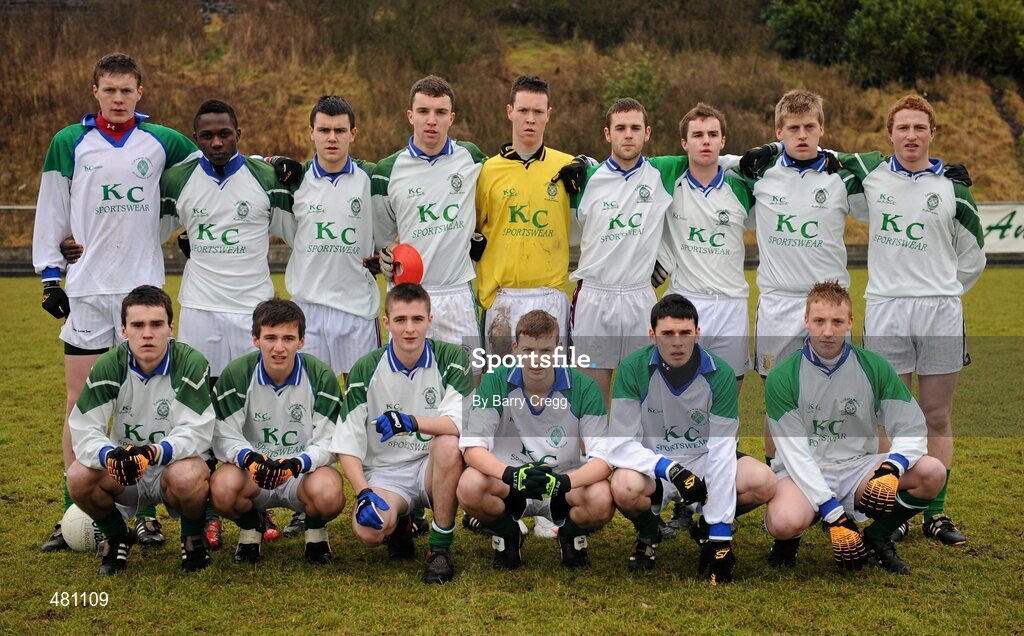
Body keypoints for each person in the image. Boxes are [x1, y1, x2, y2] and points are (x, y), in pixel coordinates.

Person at [33, 52, 198, 552]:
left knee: (144, 410)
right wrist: (50, 275)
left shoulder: (165, 141)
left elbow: (206, 177)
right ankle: (75, 510)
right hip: (86, 292)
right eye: (110, 90)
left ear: (140, 92)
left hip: (141, 294)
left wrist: (188, 229)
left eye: (127, 90)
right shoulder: (69, 142)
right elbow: (52, 207)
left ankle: (145, 513)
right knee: (76, 404)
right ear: (95, 91)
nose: (119, 98)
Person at [838, 95, 986, 545]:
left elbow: (973, 256)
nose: (911, 135)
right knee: (891, 416)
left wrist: (942, 290)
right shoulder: (872, 176)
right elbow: (816, 155)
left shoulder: (954, 188)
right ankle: (894, 509)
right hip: (886, 308)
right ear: (890, 134)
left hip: (939, 311)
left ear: (932, 133)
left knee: (936, 415)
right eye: (902, 127)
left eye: (920, 127)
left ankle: (935, 514)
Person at [763, 281, 946, 574]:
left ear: (850, 322)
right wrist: (834, 515)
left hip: (857, 468)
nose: (828, 331)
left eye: (837, 322)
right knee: (783, 522)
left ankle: (878, 536)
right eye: (819, 321)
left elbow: (911, 425)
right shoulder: (782, 376)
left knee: (931, 472)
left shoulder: (874, 366)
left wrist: (892, 468)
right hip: (802, 471)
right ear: (806, 321)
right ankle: (790, 540)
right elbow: (795, 455)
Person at [605, 294, 776, 583]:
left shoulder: (719, 373)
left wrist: (721, 539)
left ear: (697, 333)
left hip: (704, 462)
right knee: (623, 486)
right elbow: (621, 444)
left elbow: (722, 451)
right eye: (667, 333)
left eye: (685, 333)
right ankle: (649, 533)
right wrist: (670, 469)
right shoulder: (633, 368)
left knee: (763, 482)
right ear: (652, 335)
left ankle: (707, 529)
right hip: (654, 467)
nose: (677, 342)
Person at [737, 89, 854, 466]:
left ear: (822, 129)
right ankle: (780, 478)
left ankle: (833, 476)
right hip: (779, 302)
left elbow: (889, 174)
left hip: (829, 305)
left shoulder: (843, 176)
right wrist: (767, 151)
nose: (802, 135)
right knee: (779, 397)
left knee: (834, 397)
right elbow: (703, 158)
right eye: (793, 128)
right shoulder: (760, 173)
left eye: (809, 127)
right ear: (779, 131)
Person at [65, 285, 214, 575]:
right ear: (124, 330)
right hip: (125, 472)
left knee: (189, 475)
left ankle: (193, 537)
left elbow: (197, 431)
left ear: (171, 327)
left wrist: (154, 452)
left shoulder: (191, 363)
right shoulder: (109, 365)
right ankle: (116, 536)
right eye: (138, 325)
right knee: (79, 476)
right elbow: (84, 429)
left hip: (171, 467)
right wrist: (110, 455)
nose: (148, 333)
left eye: (157, 324)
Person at [331, 283, 473, 584]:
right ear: (386, 324)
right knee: (368, 531)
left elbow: (459, 423)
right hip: (386, 474)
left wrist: (408, 421)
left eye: (417, 319)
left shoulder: (452, 358)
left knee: (448, 444)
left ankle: (439, 549)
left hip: (430, 467)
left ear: (430, 321)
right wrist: (363, 493)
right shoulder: (365, 369)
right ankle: (400, 523)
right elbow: (347, 441)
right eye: (400, 320)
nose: (409, 329)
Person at [458, 310, 613, 570]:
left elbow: (604, 459)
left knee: (601, 499)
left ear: (559, 349)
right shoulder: (495, 382)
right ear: (516, 349)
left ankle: (569, 536)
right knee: (469, 486)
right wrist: (511, 475)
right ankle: (509, 535)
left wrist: (564, 482)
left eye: (545, 351)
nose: (537, 360)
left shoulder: (584, 387)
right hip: (510, 483)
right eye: (529, 350)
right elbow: (473, 449)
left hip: (563, 484)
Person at [160, 98, 293, 379]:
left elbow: (300, 236)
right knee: (200, 393)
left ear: (238, 135)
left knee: (254, 397)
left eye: (224, 134)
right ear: (196, 139)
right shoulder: (176, 180)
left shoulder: (267, 178)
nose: (217, 143)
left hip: (254, 308)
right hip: (201, 308)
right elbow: (147, 233)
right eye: (207, 136)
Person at [209, 299, 345, 565]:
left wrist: (298, 463)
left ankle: (316, 532)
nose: (279, 347)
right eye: (270, 337)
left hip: (302, 474)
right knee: (222, 488)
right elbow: (223, 435)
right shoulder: (237, 374)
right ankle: (251, 529)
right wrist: (250, 459)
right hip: (253, 473)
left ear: (301, 341)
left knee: (329, 491)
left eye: (288, 338)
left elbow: (330, 439)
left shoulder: (320, 376)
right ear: (255, 339)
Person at [569, 98, 682, 402]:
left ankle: (639, 451)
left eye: (635, 128)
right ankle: (588, 452)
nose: (628, 135)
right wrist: (581, 159)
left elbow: (714, 158)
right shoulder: (585, 178)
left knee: (644, 399)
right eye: (620, 128)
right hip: (594, 297)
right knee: (590, 399)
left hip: (639, 297)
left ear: (648, 133)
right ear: (607, 133)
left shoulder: (663, 171)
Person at [371, 76, 486, 351]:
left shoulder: (471, 157)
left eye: (440, 112)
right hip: (408, 297)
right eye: (423, 111)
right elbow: (383, 239)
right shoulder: (387, 171)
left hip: (457, 292)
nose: (431, 120)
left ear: (452, 117)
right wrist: (386, 253)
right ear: (410, 116)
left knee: (468, 386)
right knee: (409, 385)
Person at [273, 95, 380, 378]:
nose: (331, 138)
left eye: (340, 131)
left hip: (356, 309)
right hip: (307, 310)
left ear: (352, 134)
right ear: (311, 132)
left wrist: (386, 253)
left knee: (364, 399)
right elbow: (248, 165)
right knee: (307, 398)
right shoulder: (295, 180)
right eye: (323, 130)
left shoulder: (371, 178)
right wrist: (275, 160)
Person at [474, 75, 578, 354]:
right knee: (501, 389)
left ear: (548, 115)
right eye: (523, 111)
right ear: (510, 112)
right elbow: (473, 227)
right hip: (503, 299)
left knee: (552, 390)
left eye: (537, 112)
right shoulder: (487, 171)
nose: (530, 119)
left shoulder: (567, 166)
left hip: (550, 296)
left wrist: (586, 163)